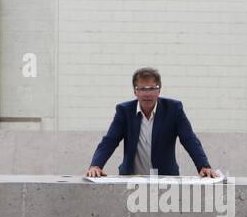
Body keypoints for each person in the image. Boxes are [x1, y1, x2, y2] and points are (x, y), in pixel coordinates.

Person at [84, 67, 219, 178]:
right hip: (131, 178)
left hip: (165, 178)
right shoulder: (124, 111)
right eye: (142, 89)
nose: (147, 94)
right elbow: (110, 141)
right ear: (135, 91)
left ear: (159, 90)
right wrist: (96, 165)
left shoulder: (174, 109)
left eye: (152, 88)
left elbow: (189, 139)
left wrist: (203, 166)